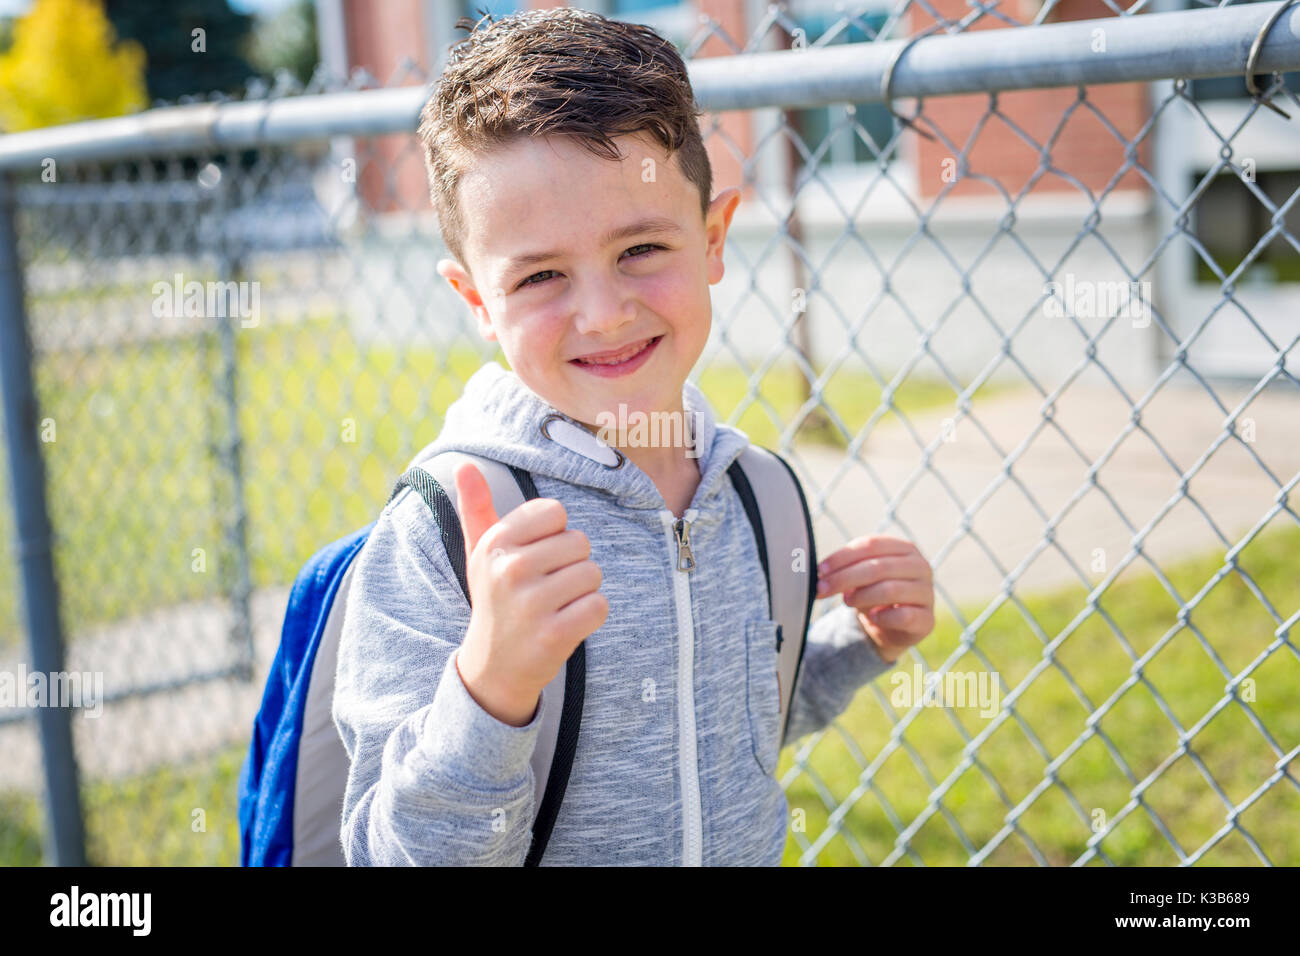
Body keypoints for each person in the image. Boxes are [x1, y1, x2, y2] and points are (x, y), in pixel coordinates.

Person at [332, 6, 935, 866]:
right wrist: (491, 689)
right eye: (541, 274)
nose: (603, 312)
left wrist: (857, 644)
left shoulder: (756, 494)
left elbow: (723, 729)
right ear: (475, 302)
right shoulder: (451, 532)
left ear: (714, 238)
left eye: (641, 248)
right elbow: (395, 855)